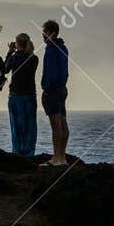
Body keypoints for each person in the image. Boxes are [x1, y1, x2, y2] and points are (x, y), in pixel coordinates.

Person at [41, 19, 70, 166]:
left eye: (44, 31)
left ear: (51, 32)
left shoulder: (51, 48)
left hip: (52, 90)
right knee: (63, 123)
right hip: (62, 89)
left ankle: (56, 158)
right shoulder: (63, 47)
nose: (43, 34)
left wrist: (46, 86)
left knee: (56, 125)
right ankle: (62, 157)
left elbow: (50, 71)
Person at [5, 32, 38, 157]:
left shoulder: (14, 57)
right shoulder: (33, 58)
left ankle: (17, 153)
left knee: (16, 127)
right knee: (30, 127)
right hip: (30, 96)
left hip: (15, 96)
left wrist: (10, 52)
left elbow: (5, 69)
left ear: (17, 43)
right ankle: (29, 154)